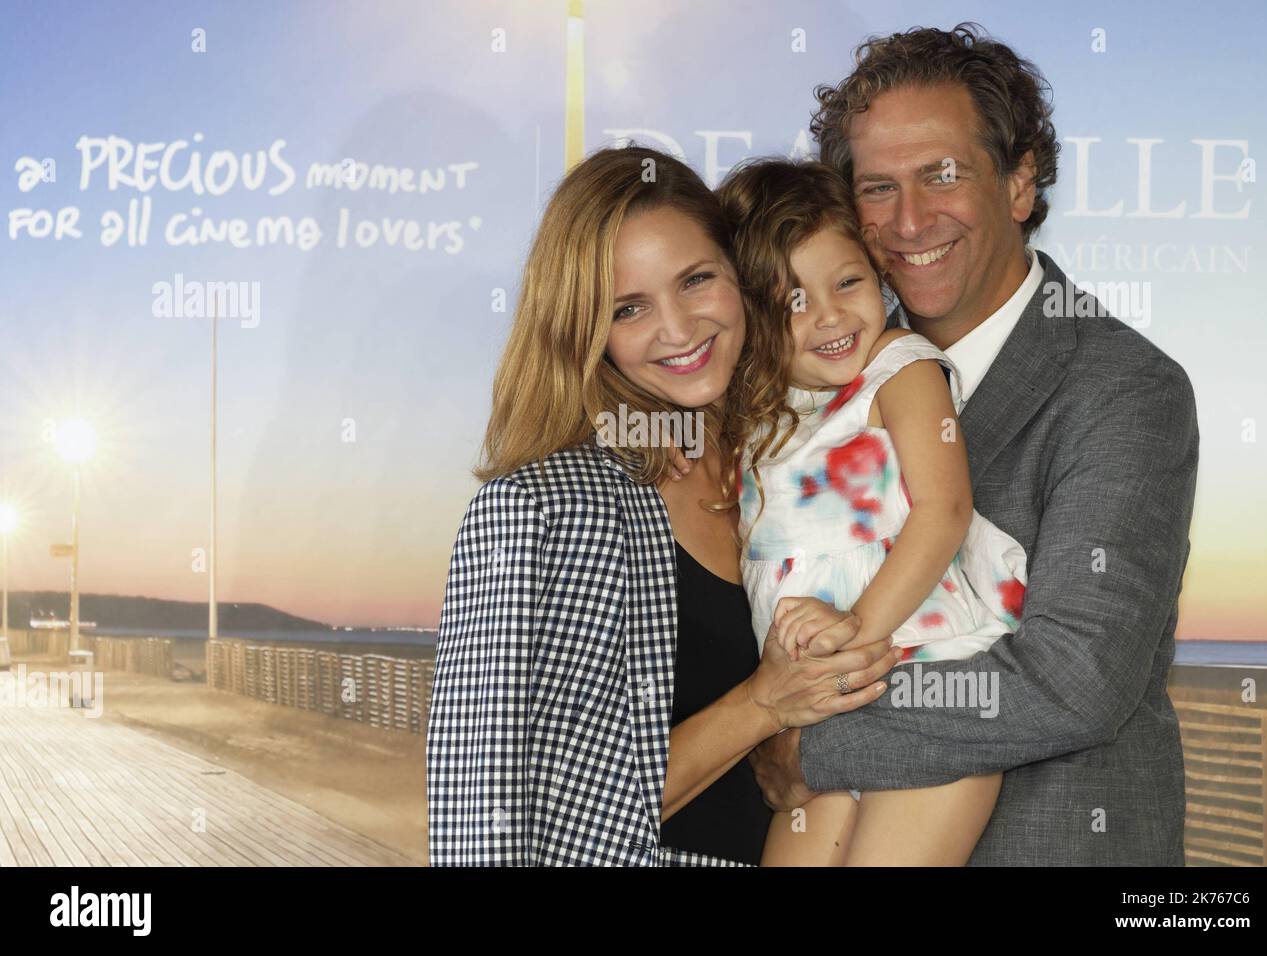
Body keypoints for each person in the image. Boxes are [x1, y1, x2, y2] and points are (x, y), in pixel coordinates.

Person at [748, 23, 1199, 865]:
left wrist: (813, 744)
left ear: (1021, 181)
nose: (910, 219)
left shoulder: (1125, 390)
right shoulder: (813, 374)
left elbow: (1072, 683)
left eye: (942, 176)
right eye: (877, 188)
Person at [426, 145, 896, 867]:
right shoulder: (543, 510)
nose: (678, 330)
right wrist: (763, 703)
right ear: (585, 330)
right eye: (629, 307)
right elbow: (489, 820)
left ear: (745, 282)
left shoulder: (786, 459)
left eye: (697, 280)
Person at [717, 158, 1027, 865]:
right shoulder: (755, 416)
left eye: (847, 282)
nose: (828, 315)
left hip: (927, 679)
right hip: (819, 707)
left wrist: (857, 631)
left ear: (878, 276)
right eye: (790, 301)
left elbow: (944, 511)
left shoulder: (898, 367)